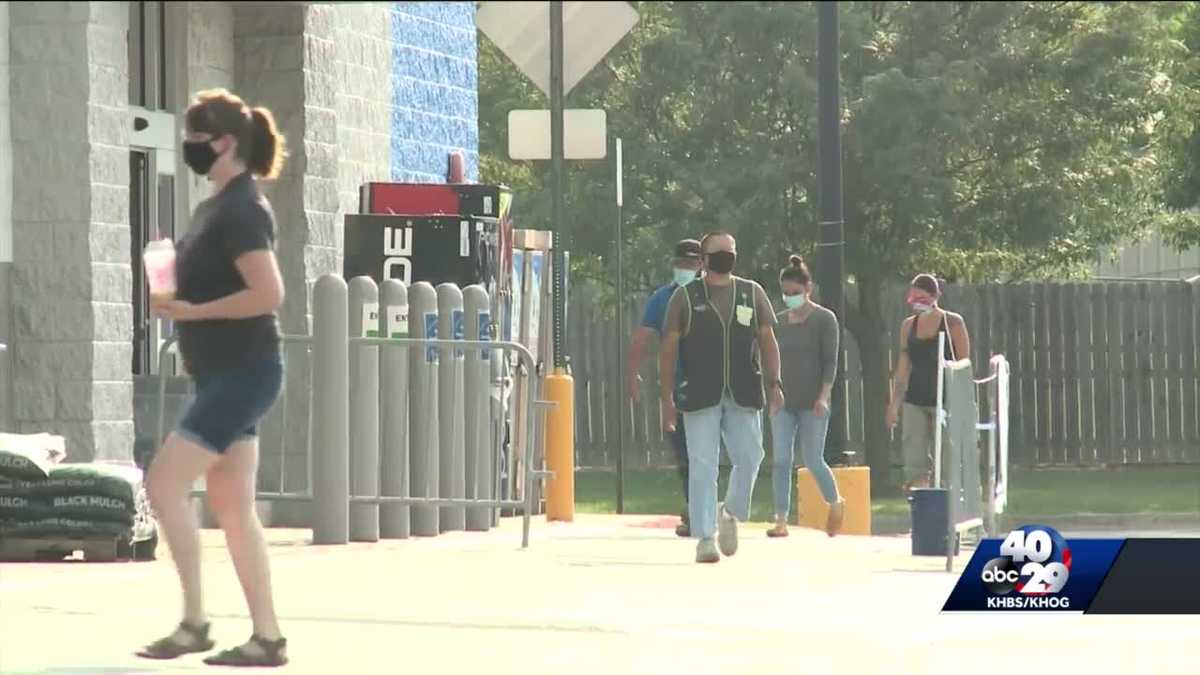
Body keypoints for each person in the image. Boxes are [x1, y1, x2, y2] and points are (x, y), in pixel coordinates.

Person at [138, 89, 290, 668]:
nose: (189, 150)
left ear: (224, 143)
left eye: (196, 140)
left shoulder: (244, 208)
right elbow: (212, 282)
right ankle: (267, 637)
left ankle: (195, 620)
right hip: (222, 373)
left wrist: (193, 313)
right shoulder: (214, 207)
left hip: (244, 372)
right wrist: (173, 291)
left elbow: (267, 294)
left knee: (163, 483)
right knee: (231, 505)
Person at [659, 231, 783, 563]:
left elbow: (768, 338)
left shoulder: (751, 293)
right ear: (703, 259)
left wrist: (775, 384)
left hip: (743, 389)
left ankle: (730, 512)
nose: (726, 257)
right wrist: (666, 397)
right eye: (718, 252)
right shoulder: (685, 298)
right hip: (700, 392)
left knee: (751, 456)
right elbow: (668, 347)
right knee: (703, 463)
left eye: (730, 251)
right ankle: (704, 537)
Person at [627, 239, 703, 537]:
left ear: (701, 266)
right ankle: (696, 508)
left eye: (690, 265)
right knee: (685, 453)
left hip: (711, 385)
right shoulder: (663, 299)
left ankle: (704, 509)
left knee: (707, 454)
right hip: (679, 386)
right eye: (680, 264)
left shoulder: (712, 296)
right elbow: (642, 338)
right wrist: (633, 375)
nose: (684, 270)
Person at [768, 255, 845, 538]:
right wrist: (773, 391)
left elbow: (830, 362)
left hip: (814, 401)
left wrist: (824, 395)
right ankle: (780, 519)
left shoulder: (825, 319)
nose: (790, 298)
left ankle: (835, 503)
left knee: (812, 458)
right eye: (786, 293)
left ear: (807, 289)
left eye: (795, 293)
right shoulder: (777, 322)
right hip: (784, 401)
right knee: (781, 460)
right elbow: (769, 359)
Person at [886, 274, 971, 493]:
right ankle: (921, 509)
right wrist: (894, 404)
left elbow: (964, 364)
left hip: (946, 400)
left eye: (922, 299)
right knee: (914, 461)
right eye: (913, 299)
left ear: (935, 297)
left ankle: (949, 507)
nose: (917, 303)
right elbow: (903, 365)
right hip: (915, 398)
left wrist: (962, 403)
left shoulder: (952, 322)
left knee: (947, 460)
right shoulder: (908, 326)